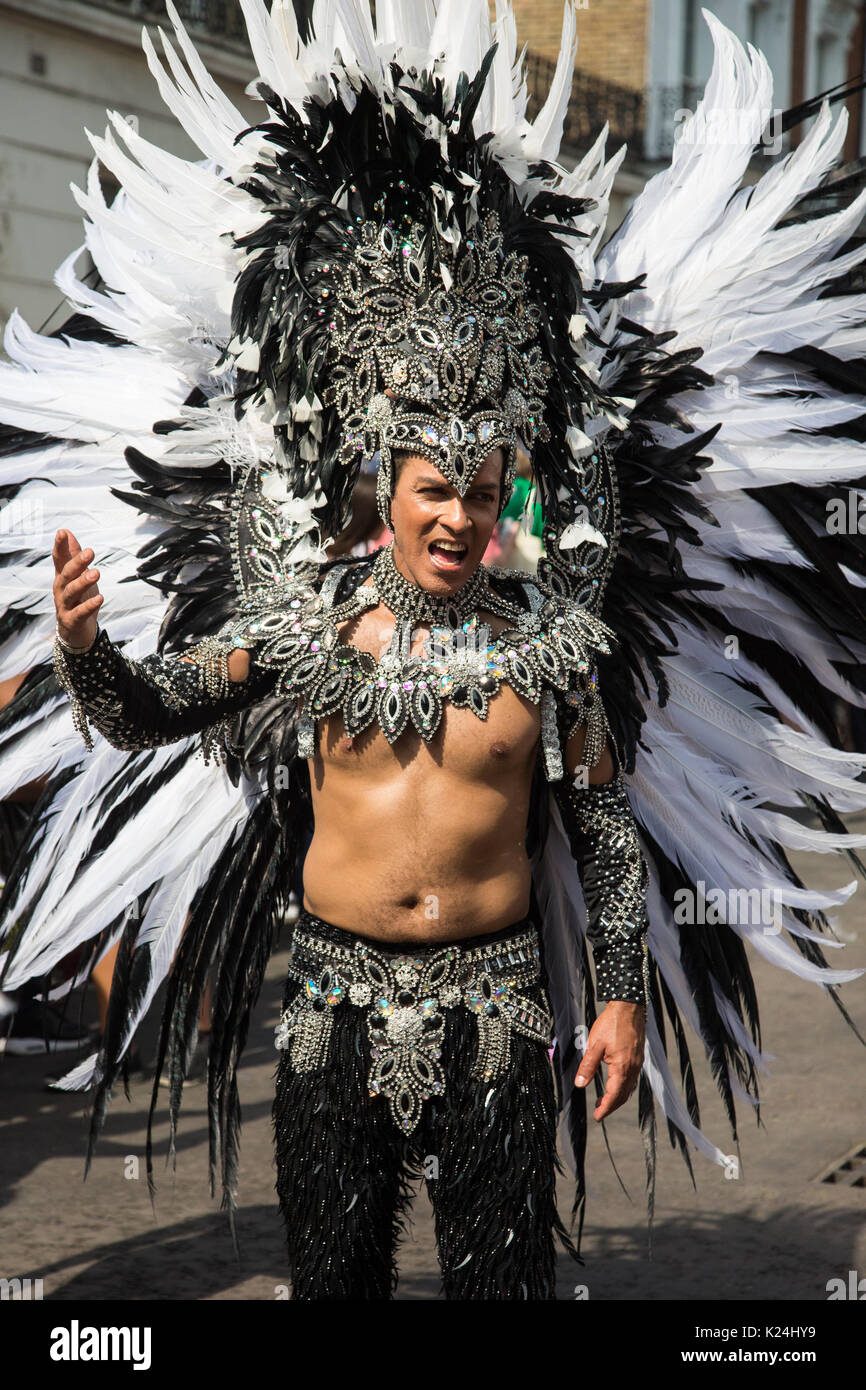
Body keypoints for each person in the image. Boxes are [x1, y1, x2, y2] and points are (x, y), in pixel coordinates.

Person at [2, 0, 865, 1304]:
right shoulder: (301, 635)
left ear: (506, 493)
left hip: (501, 1019)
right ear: (387, 496)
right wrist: (79, 646)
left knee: (497, 1286)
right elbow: (141, 710)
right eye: (431, 491)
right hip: (329, 1022)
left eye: (483, 490)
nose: (458, 514)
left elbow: (606, 829)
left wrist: (619, 996)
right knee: (334, 1281)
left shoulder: (556, 647)